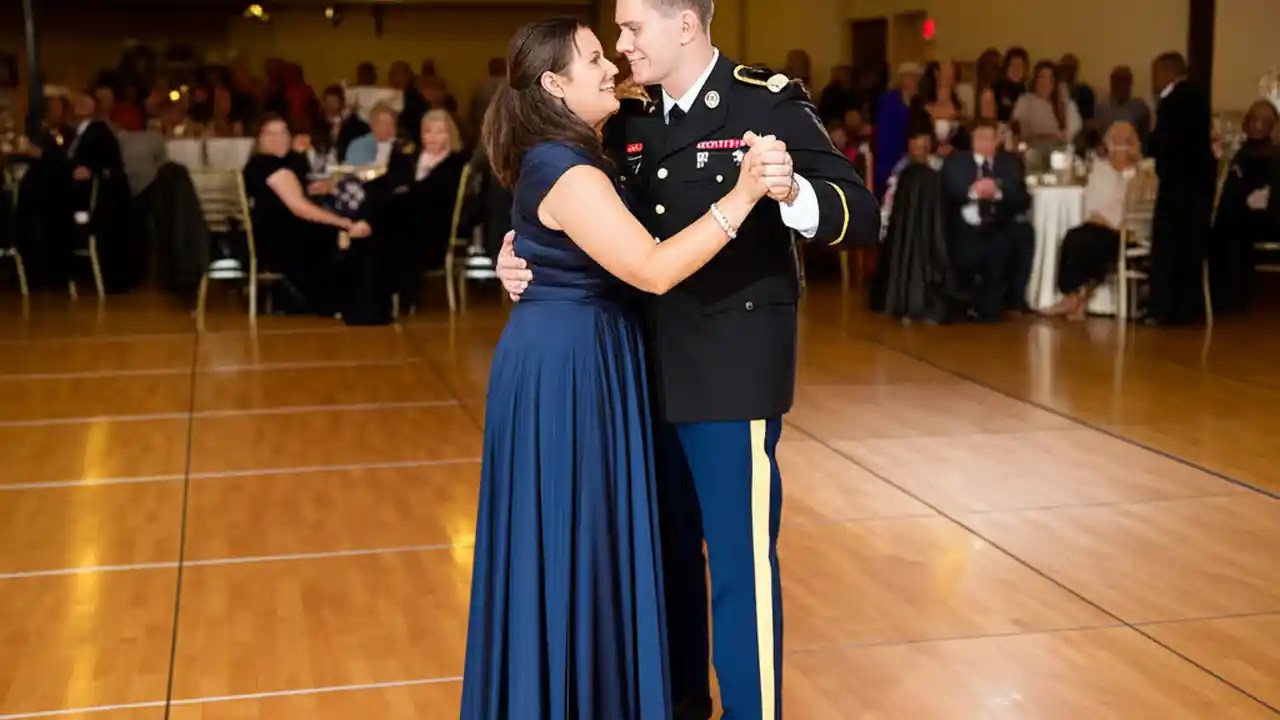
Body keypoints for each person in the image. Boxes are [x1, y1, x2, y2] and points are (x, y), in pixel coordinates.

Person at [496, 2, 879, 718]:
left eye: (633, 28)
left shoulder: (763, 103)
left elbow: (860, 214)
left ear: (685, 25)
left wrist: (791, 190)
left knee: (738, 571)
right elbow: (557, 192)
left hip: (731, 376)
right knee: (660, 563)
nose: (621, 44)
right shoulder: (625, 119)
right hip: (635, 378)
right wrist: (516, 253)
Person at [460, 17, 786, 720]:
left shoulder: (577, 151)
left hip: (584, 359)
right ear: (554, 85)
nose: (612, 65)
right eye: (593, 57)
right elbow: (651, 269)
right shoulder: (565, 164)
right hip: (569, 371)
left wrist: (526, 257)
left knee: (581, 547)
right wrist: (744, 193)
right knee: (574, 547)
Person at [1043, 121, 1143, 320]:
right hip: (1103, 227)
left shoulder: (1142, 174)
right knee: (1077, 238)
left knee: (1089, 241)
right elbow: (1094, 209)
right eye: (1116, 144)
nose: (1120, 150)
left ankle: (1077, 299)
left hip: (1130, 234)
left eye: (1126, 144)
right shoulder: (1101, 170)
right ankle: (1074, 297)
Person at [1148, 51, 1215, 325]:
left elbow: (1162, 146)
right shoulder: (1199, 97)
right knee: (1191, 249)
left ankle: (1162, 311)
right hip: (1199, 185)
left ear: (1167, 73)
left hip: (1177, 186)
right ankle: (1188, 309)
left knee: (1167, 248)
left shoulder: (1171, 101)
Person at [942, 119, 1030, 321]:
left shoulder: (1009, 163)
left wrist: (998, 193)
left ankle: (1004, 303)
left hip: (997, 224)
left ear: (997, 141)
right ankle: (963, 301)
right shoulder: (956, 161)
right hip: (964, 225)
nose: (983, 143)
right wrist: (974, 192)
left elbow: (1023, 199)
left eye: (988, 138)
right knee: (964, 249)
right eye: (978, 137)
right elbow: (951, 191)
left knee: (1014, 240)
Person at [1210, 99, 1280, 311]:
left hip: (1246, 224)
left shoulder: (1240, 158)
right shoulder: (1246, 156)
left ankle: (1228, 294)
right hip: (1261, 223)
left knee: (1224, 224)